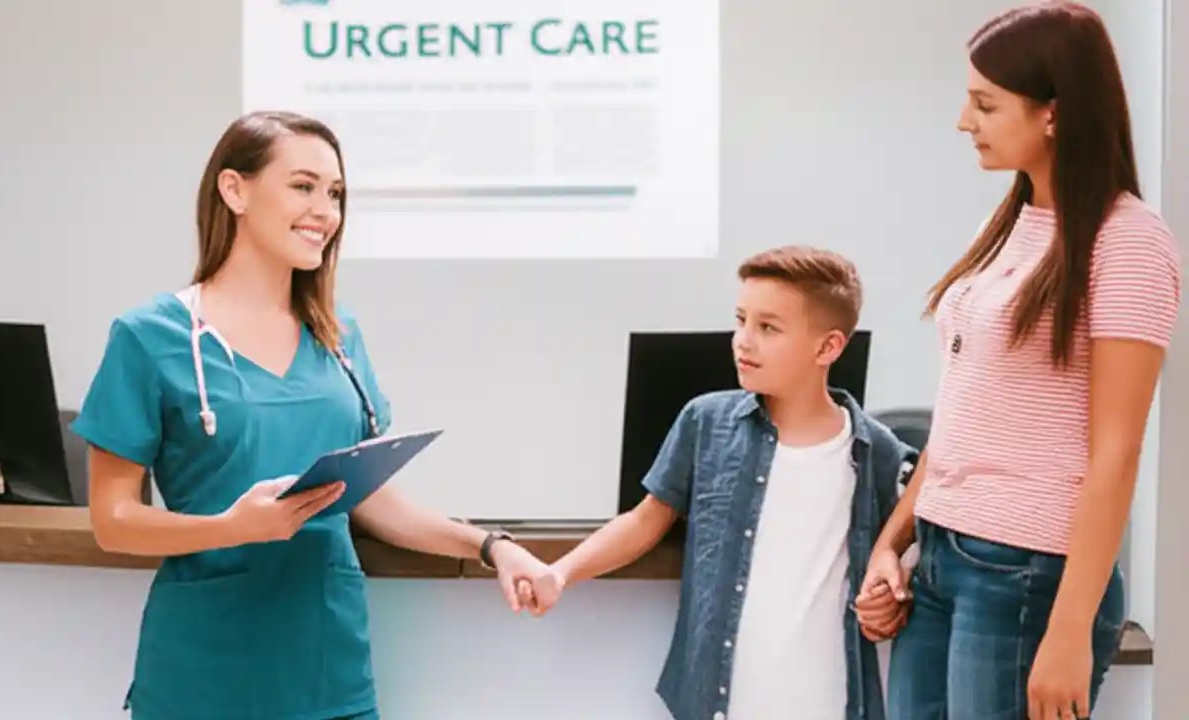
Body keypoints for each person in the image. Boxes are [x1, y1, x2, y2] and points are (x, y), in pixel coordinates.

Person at [71, 110, 554, 720]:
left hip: (329, 671)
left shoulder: (338, 336)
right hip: (205, 674)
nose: (325, 210)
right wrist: (235, 527)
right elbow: (113, 520)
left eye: (336, 193)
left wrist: (490, 546)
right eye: (303, 186)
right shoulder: (151, 338)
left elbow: (363, 497)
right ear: (234, 189)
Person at [853, 3, 1182, 720]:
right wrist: (893, 544)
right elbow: (965, 417)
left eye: (985, 104)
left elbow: (1117, 453)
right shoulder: (1007, 226)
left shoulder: (1128, 244)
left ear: (1055, 114)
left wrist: (1069, 632)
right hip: (943, 557)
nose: (963, 121)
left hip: (1027, 573)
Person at [523, 246, 919, 720]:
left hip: (831, 704)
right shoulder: (705, 422)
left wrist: (893, 598)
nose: (742, 341)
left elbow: (902, 561)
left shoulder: (878, 451)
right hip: (719, 704)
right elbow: (646, 519)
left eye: (767, 327)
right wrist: (561, 572)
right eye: (741, 320)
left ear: (828, 347)